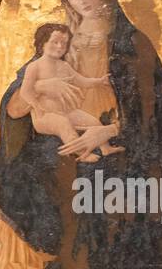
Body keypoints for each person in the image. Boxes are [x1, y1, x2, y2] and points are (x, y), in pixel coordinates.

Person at [0, 0, 162, 269]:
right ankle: (57, 261)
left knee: (115, 174)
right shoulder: (61, 42)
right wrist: (42, 89)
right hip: (68, 133)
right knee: (28, 169)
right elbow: (14, 109)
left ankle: (95, 268)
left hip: (123, 137)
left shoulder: (131, 42)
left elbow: (158, 108)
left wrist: (111, 131)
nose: (80, 1)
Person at [20, 22, 122, 164]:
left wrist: (99, 81)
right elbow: (25, 91)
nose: (60, 46)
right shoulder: (34, 67)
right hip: (44, 116)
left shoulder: (64, 66)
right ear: (42, 42)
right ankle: (82, 154)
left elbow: (81, 81)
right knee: (63, 124)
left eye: (64, 43)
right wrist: (36, 106)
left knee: (93, 121)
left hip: (66, 111)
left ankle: (106, 148)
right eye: (55, 42)